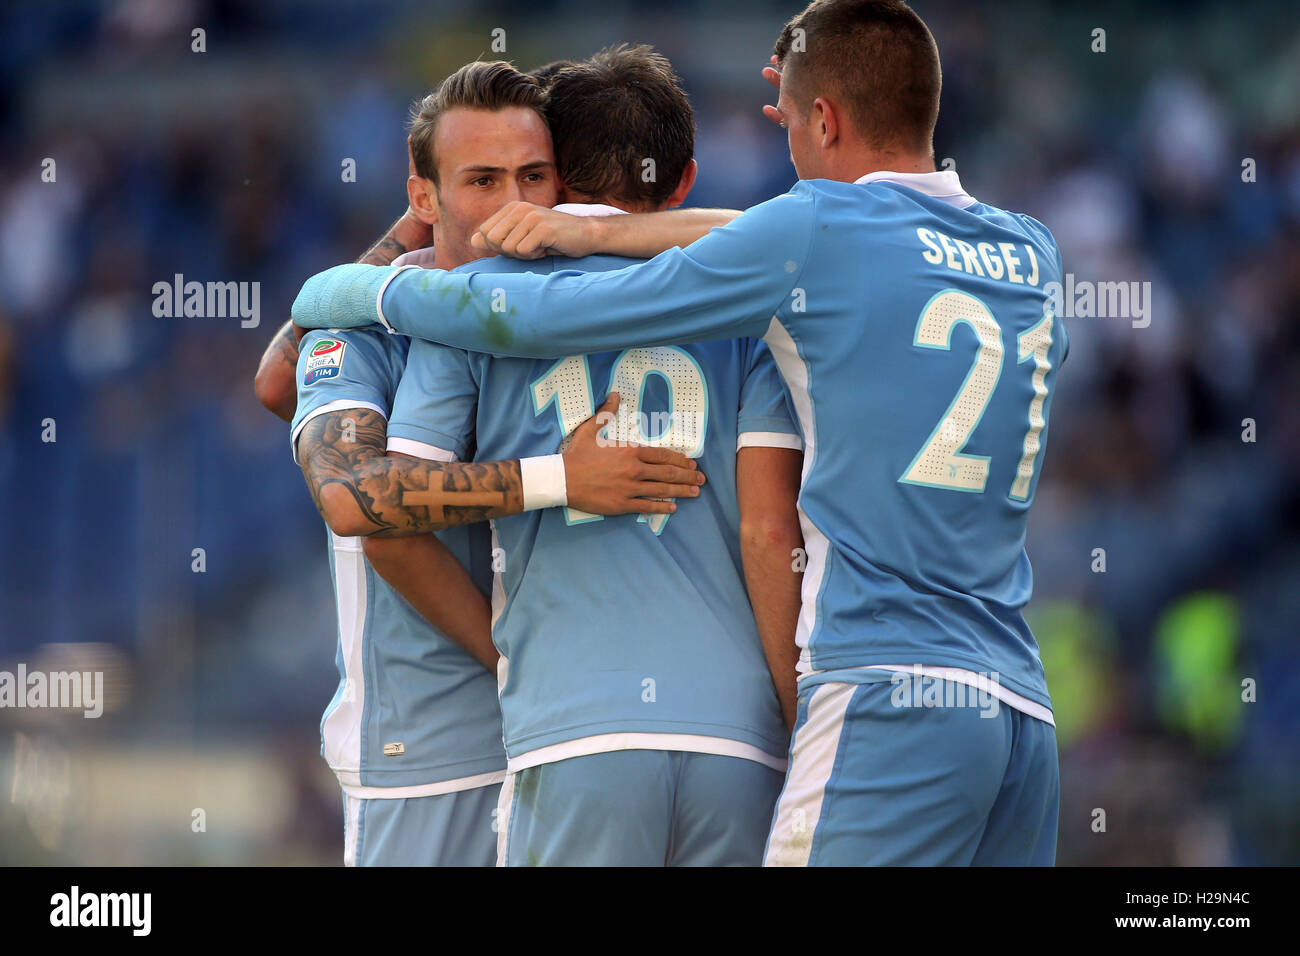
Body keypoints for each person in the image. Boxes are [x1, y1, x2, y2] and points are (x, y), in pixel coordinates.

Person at [292, 0, 1067, 866]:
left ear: (825, 118)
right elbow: (760, 252)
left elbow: (508, 336)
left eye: (787, 127)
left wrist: (349, 292)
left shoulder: (789, 242)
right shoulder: (1029, 250)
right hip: (1010, 703)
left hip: (845, 692)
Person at [256, 60, 702, 866]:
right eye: (482, 180)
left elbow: (781, 239)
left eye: (535, 177)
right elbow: (362, 503)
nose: (513, 206)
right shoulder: (366, 322)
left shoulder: (572, 295)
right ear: (423, 197)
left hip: (565, 738)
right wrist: (560, 486)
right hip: (428, 751)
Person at [385, 44, 805, 866]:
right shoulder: (754, 309)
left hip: (575, 730)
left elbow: (392, 516)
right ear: (682, 182)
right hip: (738, 740)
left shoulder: (471, 296)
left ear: (556, 180)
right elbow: (769, 531)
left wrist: (504, 652)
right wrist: (797, 717)